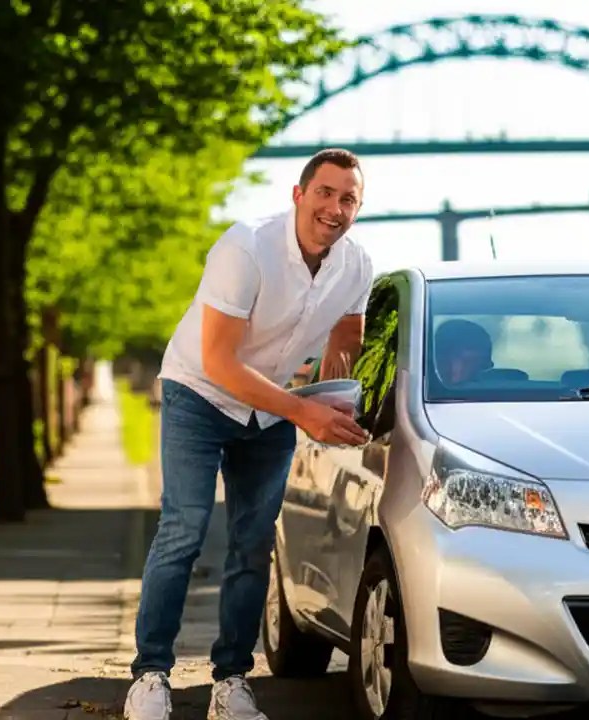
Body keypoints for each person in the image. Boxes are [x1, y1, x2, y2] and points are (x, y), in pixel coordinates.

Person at [123, 148, 374, 720]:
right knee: (184, 528)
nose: (334, 208)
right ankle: (150, 675)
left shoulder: (357, 264)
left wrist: (333, 396)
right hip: (200, 393)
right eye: (325, 193)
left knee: (253, 546)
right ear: (298, 194)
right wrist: (300, 411)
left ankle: (231, 680)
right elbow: (218, 360)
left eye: (348, 199)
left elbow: (346, 334)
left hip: (269, 411)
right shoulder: (247, 247)